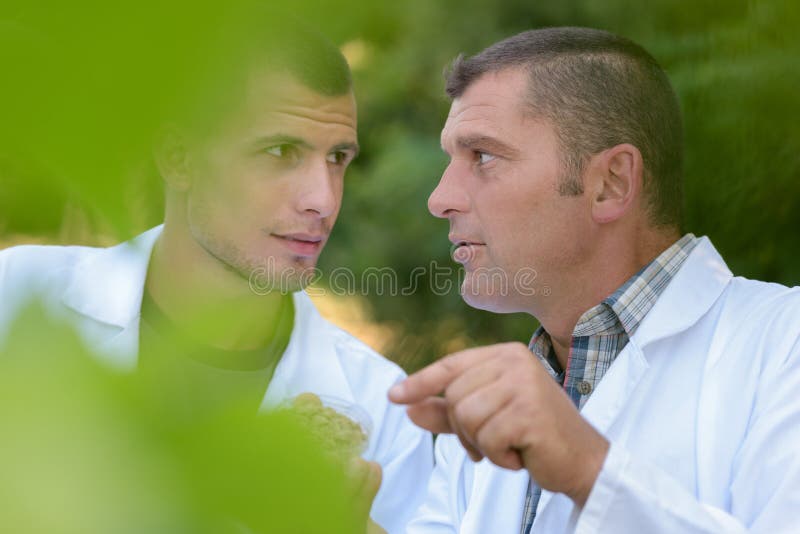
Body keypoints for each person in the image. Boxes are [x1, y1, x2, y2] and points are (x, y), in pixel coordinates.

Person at [0, 13, 431, 534]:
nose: (323, 199)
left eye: (338, 157)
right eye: (280, 151)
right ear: (178, 158)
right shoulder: (16, 297)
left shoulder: (385, 409)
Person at [389, 27, 800, 533]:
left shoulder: (786, 346)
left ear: (611, 184)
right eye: (452, 159)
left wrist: (589, 470)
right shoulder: (484, 407)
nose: (440, 198)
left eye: (484, 156)